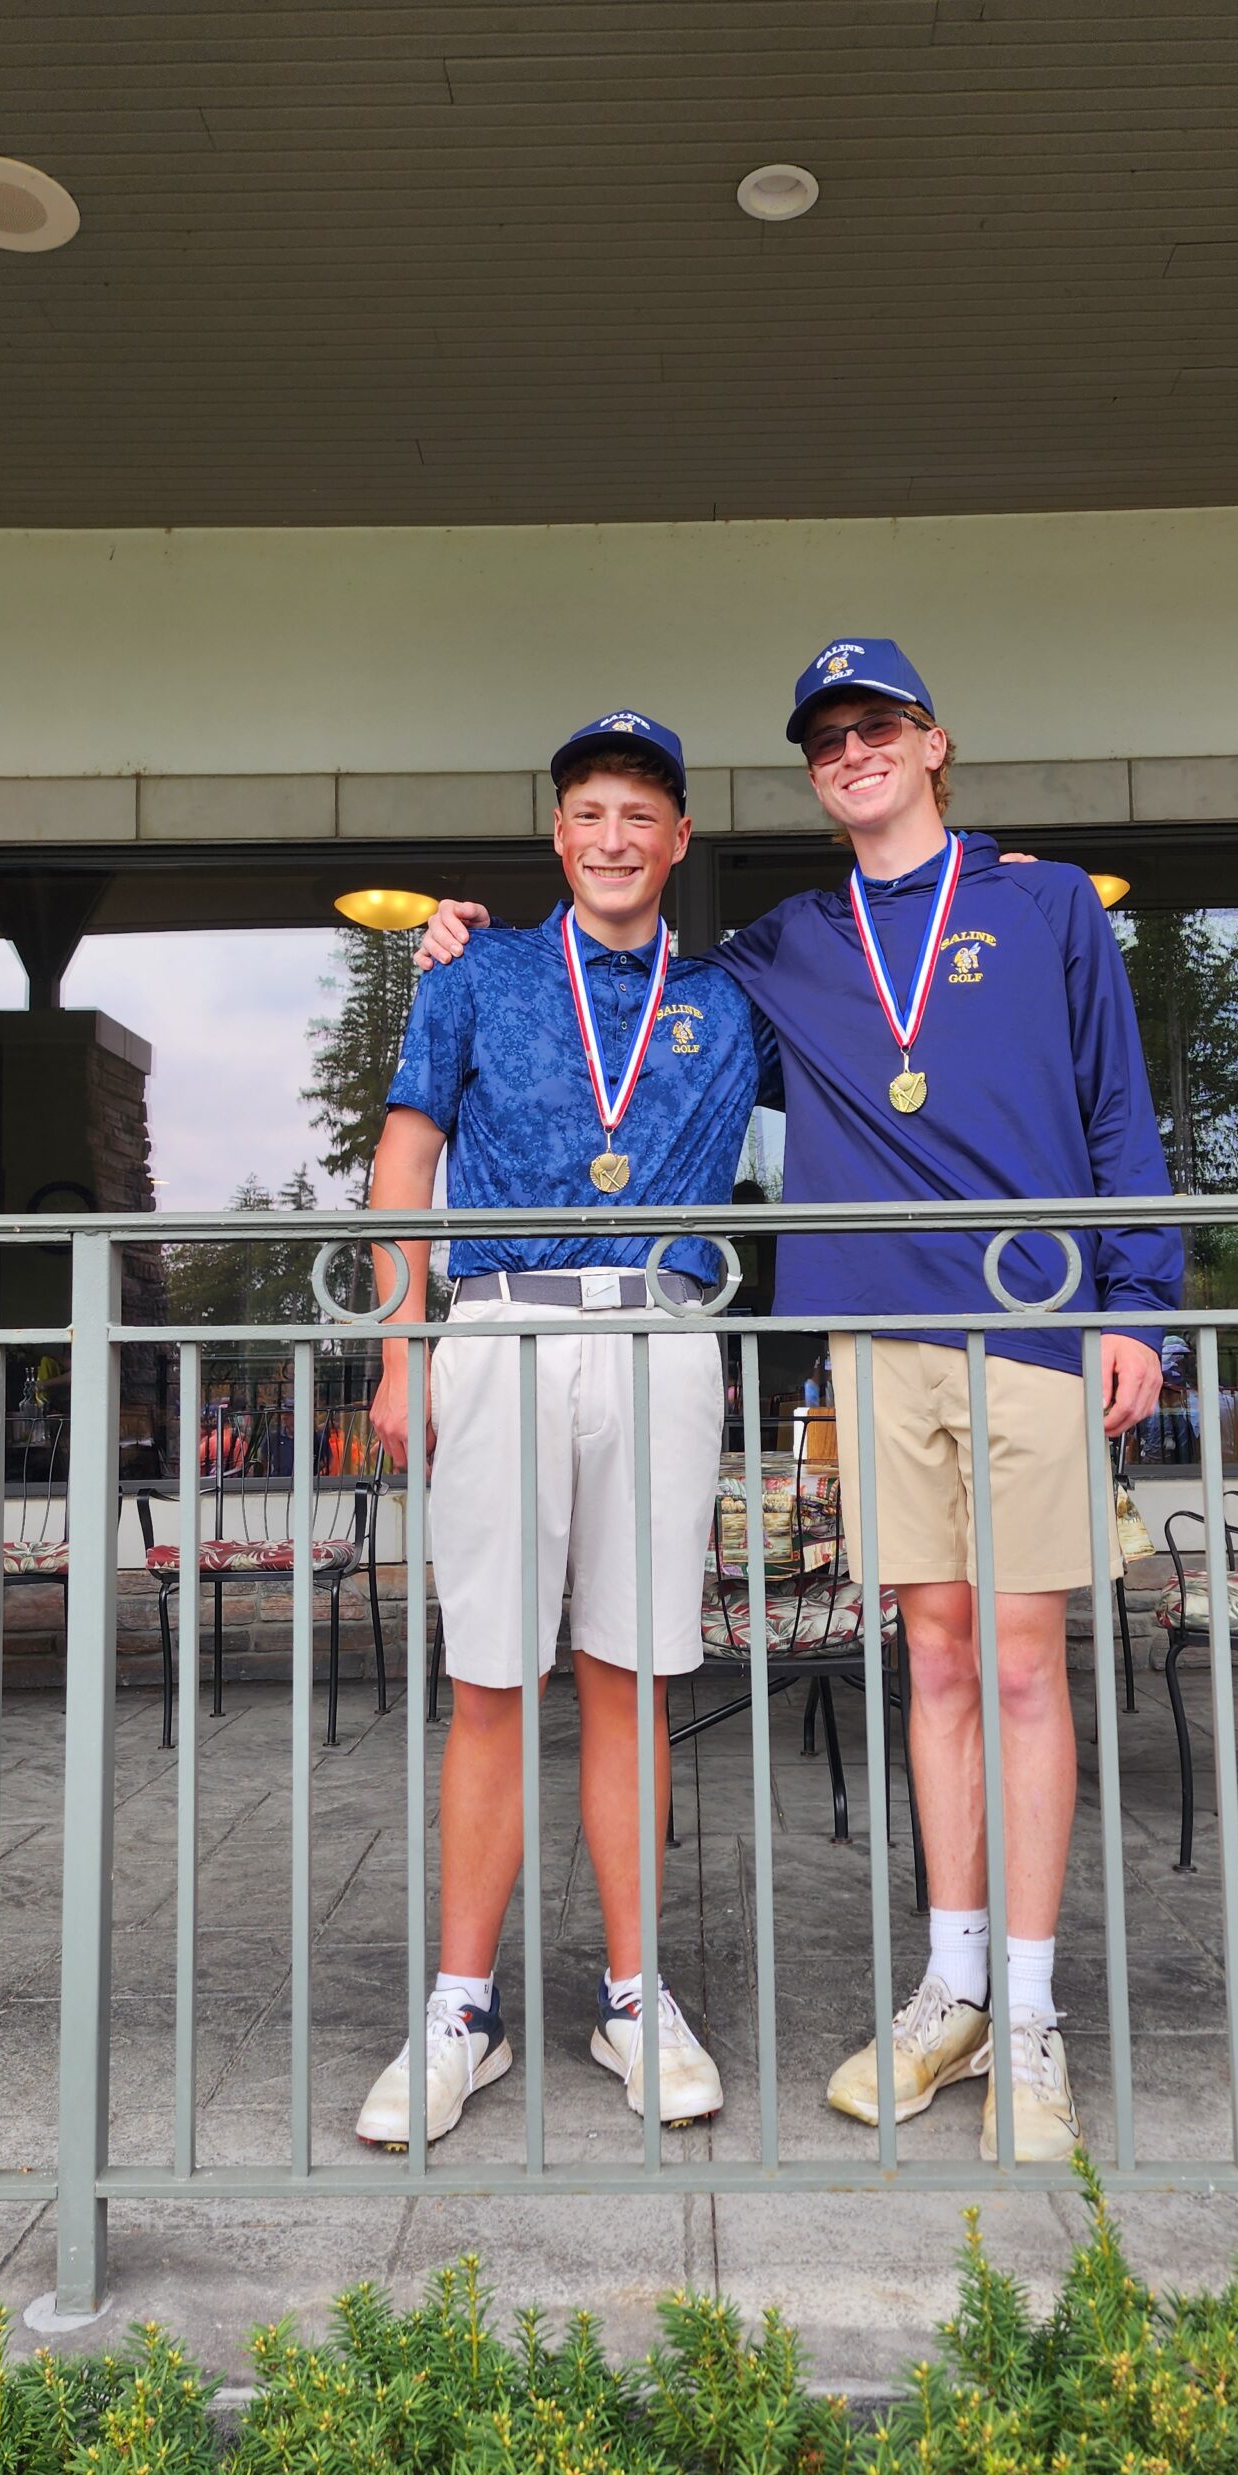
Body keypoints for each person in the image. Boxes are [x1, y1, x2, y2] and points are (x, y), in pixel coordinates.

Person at [415, 639, 1179, 2164]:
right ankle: (949, 1985)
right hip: (876, 1343)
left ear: (935, 742)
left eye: (878, 726)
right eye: (828, 740)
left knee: (1028, 1667)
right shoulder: (785, 950)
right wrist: (455, 948)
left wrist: (1140, 1301)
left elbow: (1117, 1103)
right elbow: (627, 984)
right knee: (939, 1663)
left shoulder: (1044, 906)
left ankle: (1028, 2016)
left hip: (1031, 1326)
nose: (855, 753)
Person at [356, 709, 774, 2148]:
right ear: (558, 832)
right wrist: (402, 1346)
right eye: (588, 811)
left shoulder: (733, 999)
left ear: (676, 840)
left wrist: (1012, 902)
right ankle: (458, 2011)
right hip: (500, 1324)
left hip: (661, 1331)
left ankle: (634, 1994)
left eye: (639, 816)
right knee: (488, 1678)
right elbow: (406, 1154)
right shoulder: (480, 974)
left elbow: (890, 1020)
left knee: (632, 1675)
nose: (612, 838)